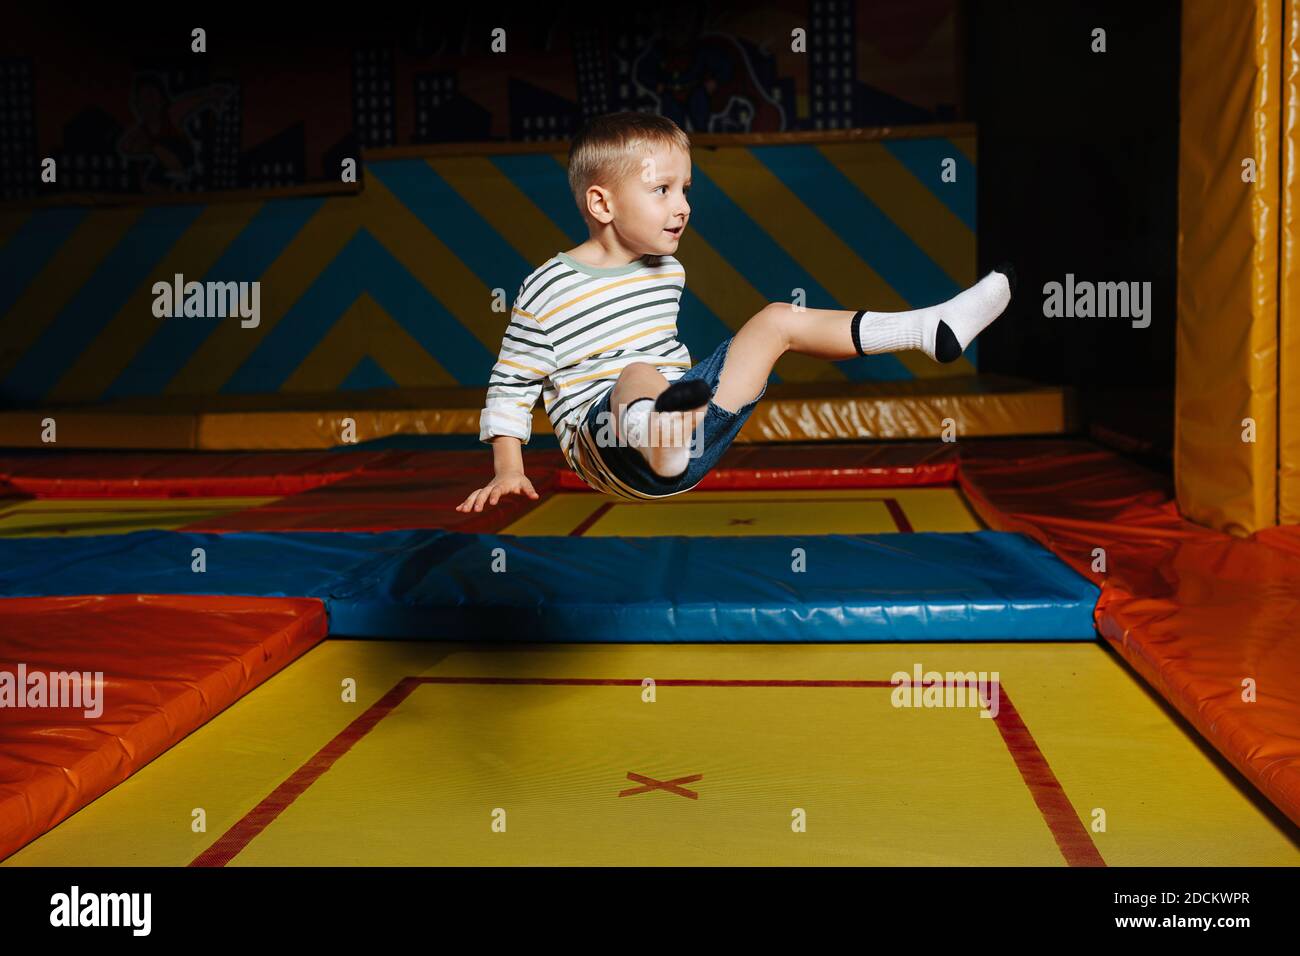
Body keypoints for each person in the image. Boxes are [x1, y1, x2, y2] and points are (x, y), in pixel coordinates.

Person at [457, 112, 1013, 512]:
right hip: (606, 447)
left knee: (776, 321)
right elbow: (511, 384)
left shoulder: (666, 270)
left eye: (686, 189)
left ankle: (929, 327)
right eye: (662, 189)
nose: (683, 206)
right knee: (637, 375)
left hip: (688, 437)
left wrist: (693, 398)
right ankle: (659, 432)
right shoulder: (550, 284)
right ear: (601, 203)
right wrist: (510, 467)